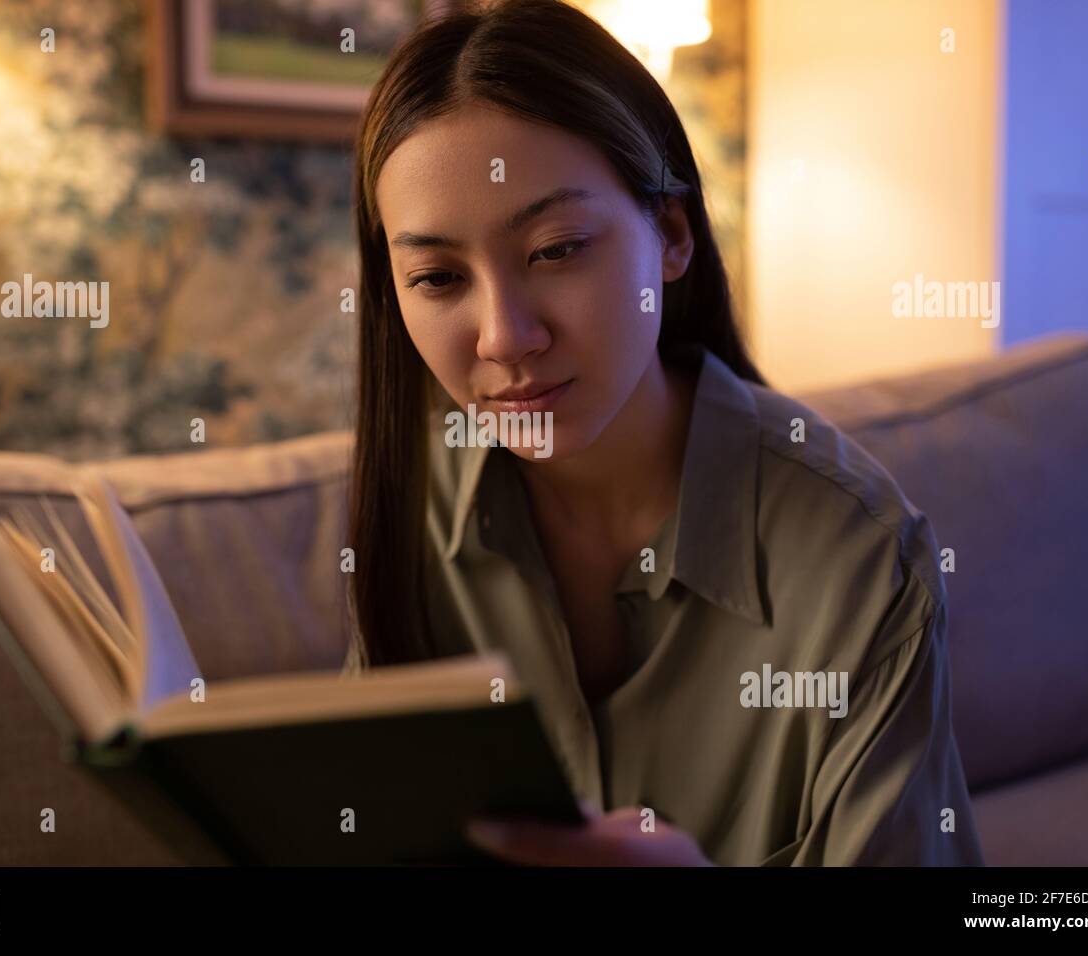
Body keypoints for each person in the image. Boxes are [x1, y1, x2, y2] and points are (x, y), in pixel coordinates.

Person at [344, 0, 983, 866]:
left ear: (671, 234)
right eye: (437, 275)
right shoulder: (408, 507)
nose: (504, 337)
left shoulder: (860, 558)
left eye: (558, 248)